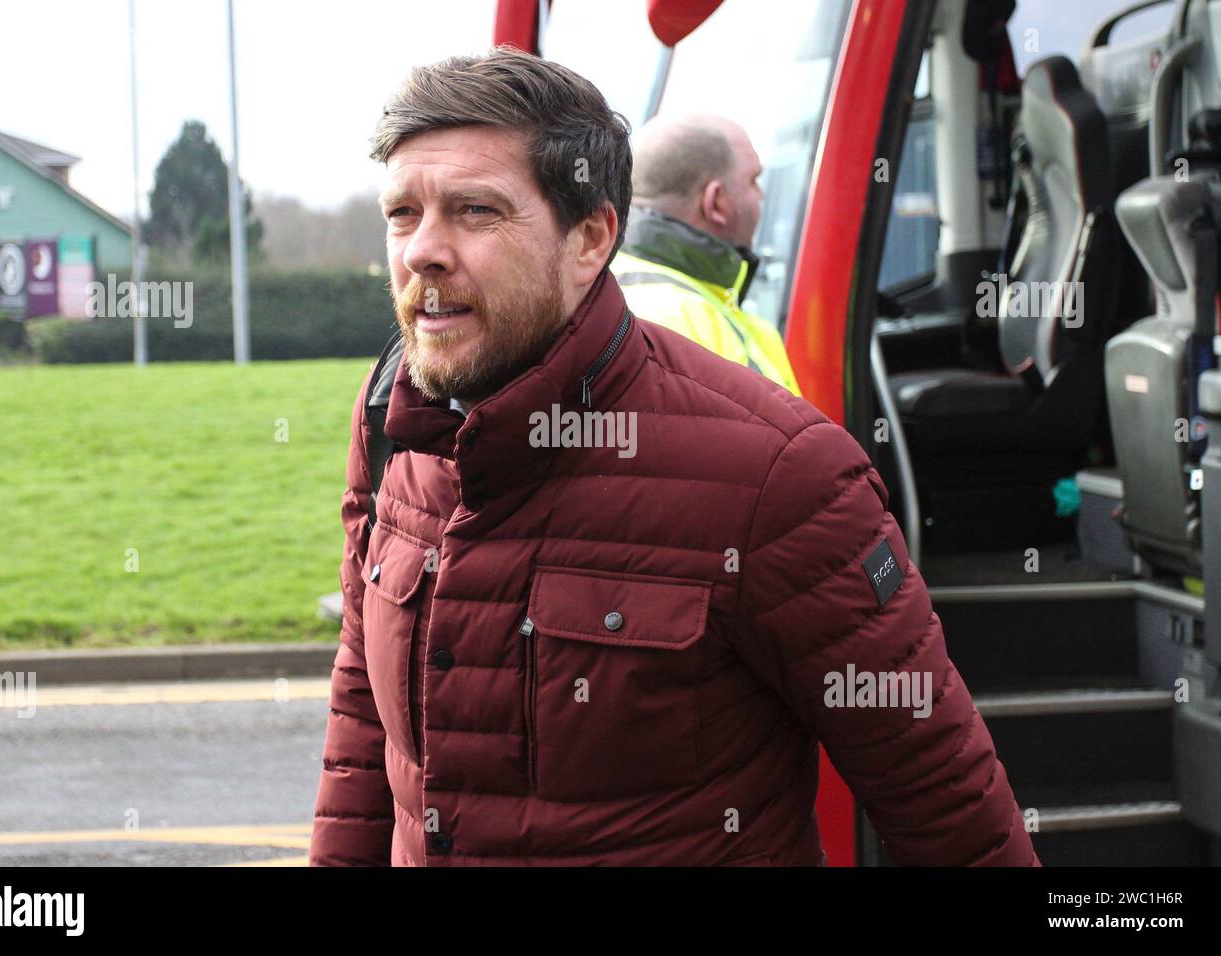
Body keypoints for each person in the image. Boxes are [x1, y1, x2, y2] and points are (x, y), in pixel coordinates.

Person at [308, 46, 1038, 867]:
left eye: (475, 211)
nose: (421, 252)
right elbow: (361, 728)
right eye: (403, 213)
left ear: (591, 239)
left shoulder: (781, 475)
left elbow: (947, 809)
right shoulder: (389, 427)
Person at [611, 113, 800, 395]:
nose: (761, 195)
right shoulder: (677, 318)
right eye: (753, 181)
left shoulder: (612, 283)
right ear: (716, 203)